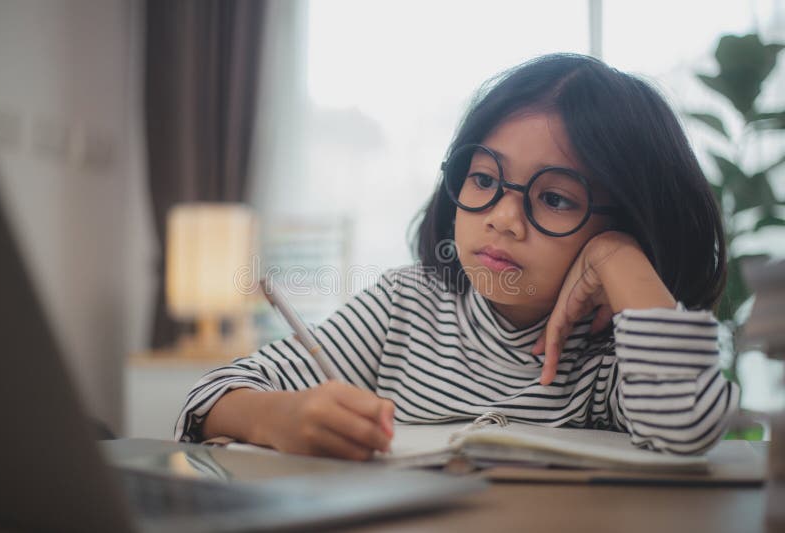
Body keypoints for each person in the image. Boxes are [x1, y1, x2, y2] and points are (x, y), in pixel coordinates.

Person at [175, 53, 739, 460]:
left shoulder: (617, 350)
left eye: (556, 198)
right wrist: (281, 418)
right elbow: (209, 398)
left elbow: (687, 428)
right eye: (484, 179)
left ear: (630, 219)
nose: (502, 217)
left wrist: (619, 259)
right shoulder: (407, 306)